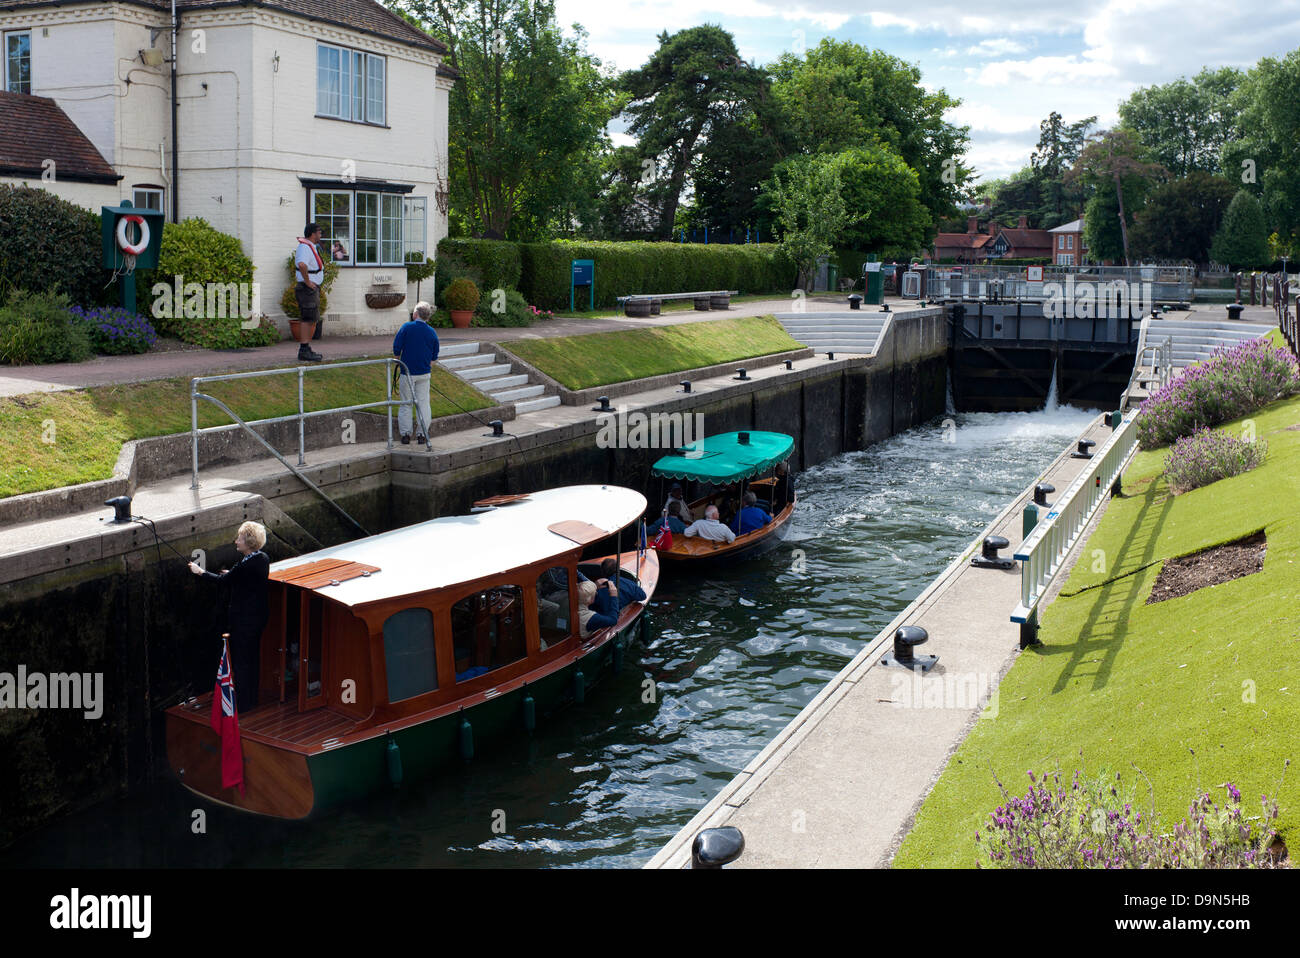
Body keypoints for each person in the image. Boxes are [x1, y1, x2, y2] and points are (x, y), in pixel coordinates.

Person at [188, 521, 270, 715]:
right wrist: (233, 575)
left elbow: (222, 581)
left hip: (244, 621)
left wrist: (200, 572)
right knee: (252, 658)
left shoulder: (246, 564)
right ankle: (252, 698)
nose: (236, 541)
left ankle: (242, 704)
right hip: (258, 618)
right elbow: (244, 578)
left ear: (248, 542)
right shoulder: (262, 558)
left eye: (240, 538)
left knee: (241, 661)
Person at [392, 301, 441, 445]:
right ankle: (422, 434)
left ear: (416, 314)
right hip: (424, 372)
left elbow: (397, 346)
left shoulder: (407, 327)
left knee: (406, 403)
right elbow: (435, 353)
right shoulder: (432, 332)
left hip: (407, 371)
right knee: (424, 403)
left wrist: (397, 357)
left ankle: (406, 434)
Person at [293, 224, 325, 362]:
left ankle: (305, 348)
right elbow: (302, 264)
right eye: (319, 232)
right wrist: (307, 282)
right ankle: (304, 349)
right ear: (313, 234)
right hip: (307, 289)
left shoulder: (309, 246)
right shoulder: (305, 247)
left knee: (311, 318)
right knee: (308, 319)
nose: (320, 235)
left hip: (310, 288)